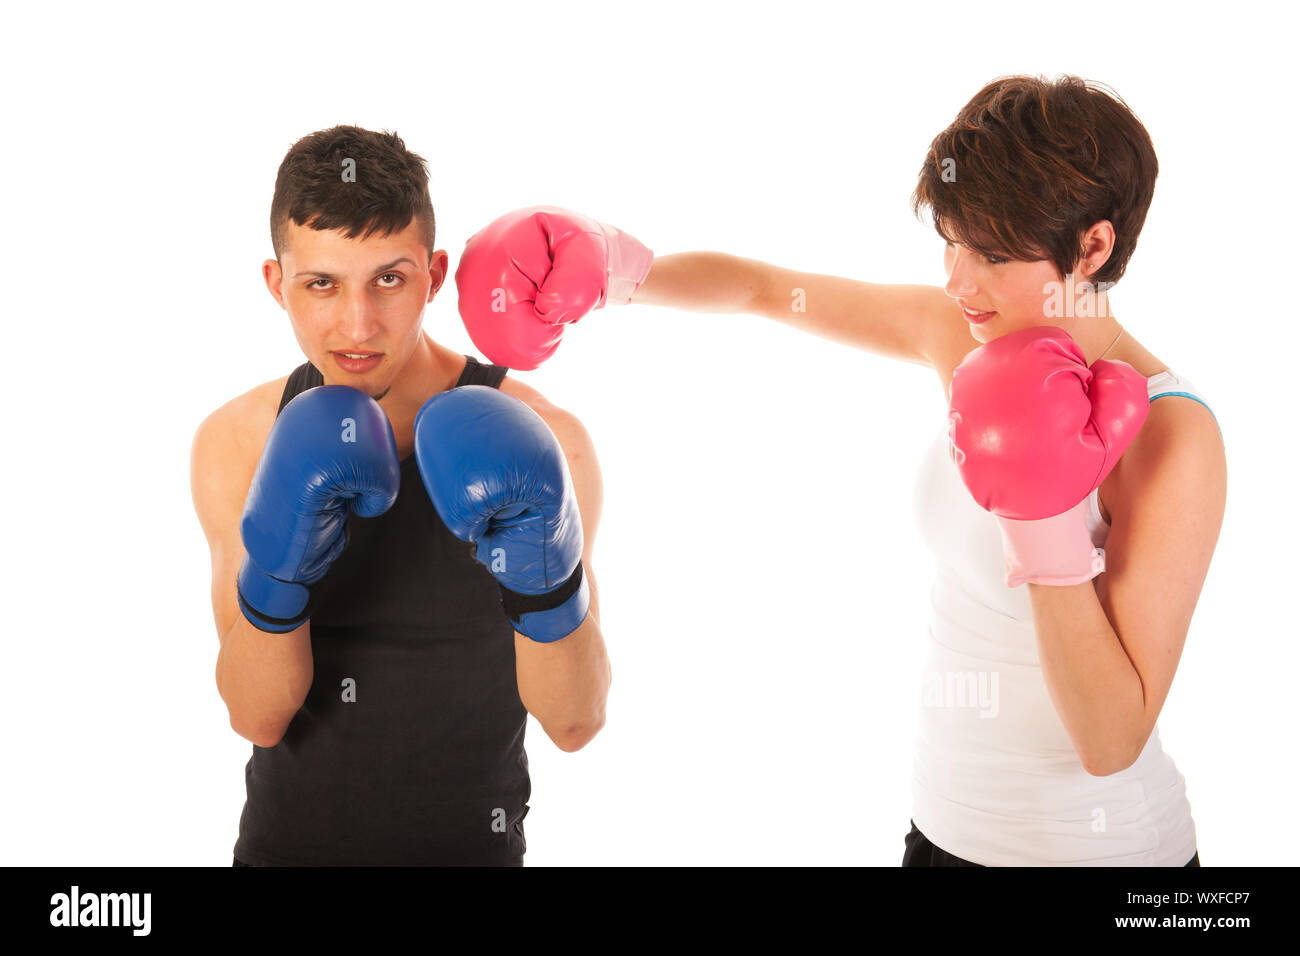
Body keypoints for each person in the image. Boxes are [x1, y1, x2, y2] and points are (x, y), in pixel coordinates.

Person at [454, 75, 1225, 866]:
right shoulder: (964, 335)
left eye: (991, 254)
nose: (958, 281)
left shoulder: (1174, 434)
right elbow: (764, 291)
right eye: (952, 242)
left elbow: (1110, 739)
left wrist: (1046, 518)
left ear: (1093, 247)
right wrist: (611, 270)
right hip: (939, 835)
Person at [189, 125, 611, 866]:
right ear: (275, 283)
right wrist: (283, 573)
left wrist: (546, 582)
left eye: (389, 278)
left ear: (435, 273)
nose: (357, 325)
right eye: (321, 283)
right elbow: (258, 714)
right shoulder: (239, 441)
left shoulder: (550, 439)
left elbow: (574, 723)